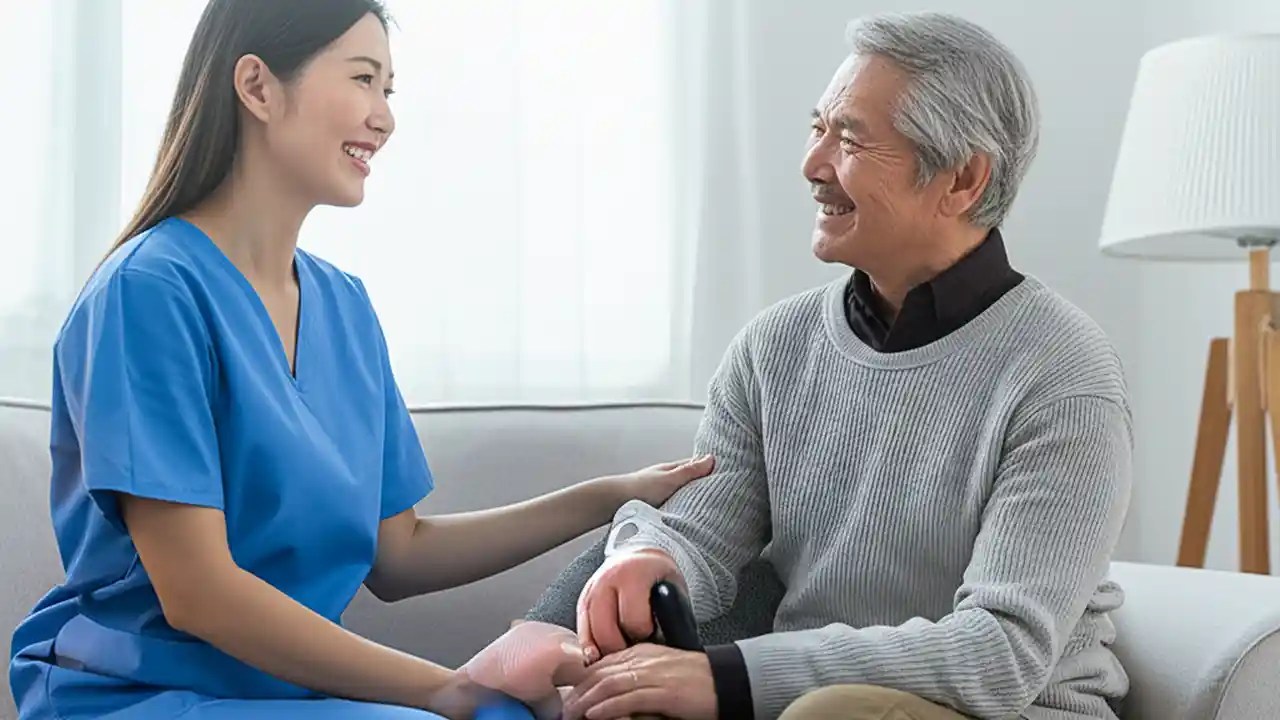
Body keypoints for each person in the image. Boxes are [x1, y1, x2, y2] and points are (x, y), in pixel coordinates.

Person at [6, 1, 713, 718]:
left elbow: (398, 553)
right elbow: (200, 595)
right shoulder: (147, 294)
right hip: (141, 694)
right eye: (364, 79)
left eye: (390, 90)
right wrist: (450, 686)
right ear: (256, 87)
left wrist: (605, 498)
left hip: (292, 699)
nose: (384, 116)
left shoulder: (342, 305)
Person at [563, 11, 1131, 720]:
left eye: (852, 139)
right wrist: (650, 559)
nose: (812, 164)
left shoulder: (1063, 375)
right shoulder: (772, 347)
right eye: (818, 127)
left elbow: (1000, 655)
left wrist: (731, 679)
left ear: (962, 179)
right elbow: (703, 534)